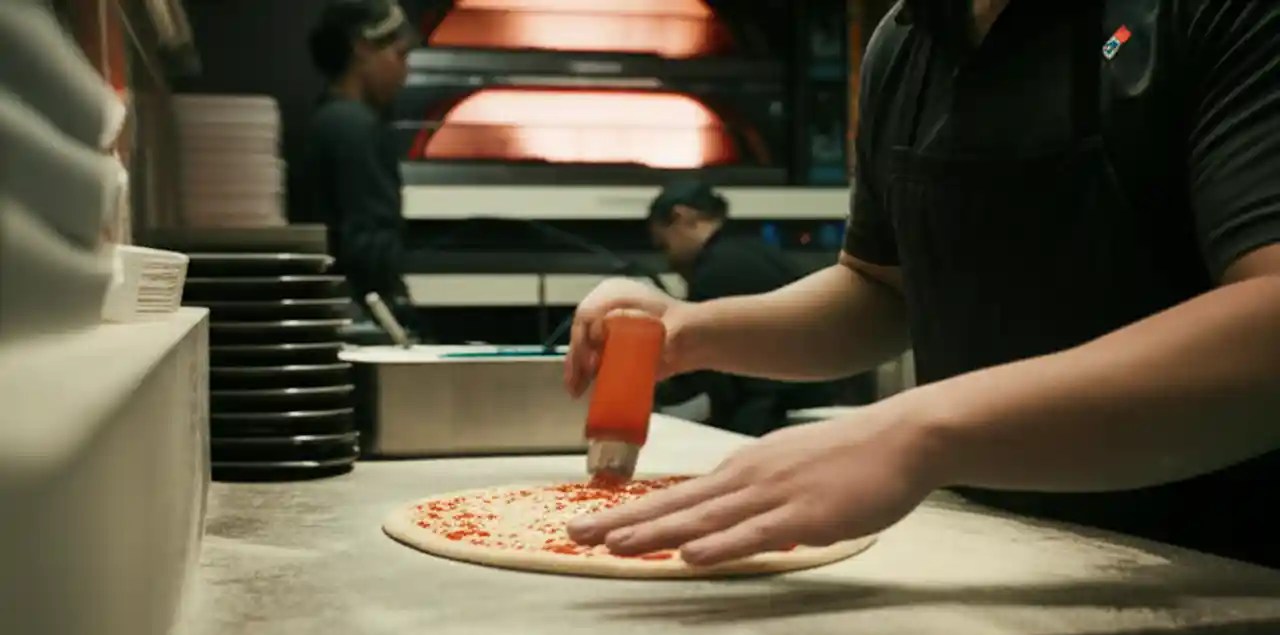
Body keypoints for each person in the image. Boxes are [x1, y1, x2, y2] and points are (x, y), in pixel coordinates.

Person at [562, 0, 1280, 569]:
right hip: (996, 549)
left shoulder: (1215, 14)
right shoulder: (905, 42)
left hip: (1218, 566)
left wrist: (917, 432)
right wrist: (696, 328)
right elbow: (881, 291)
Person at [646, 180, 837, 437]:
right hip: (820, 400)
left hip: (779, 414)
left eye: (663, 245)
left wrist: (640, 385)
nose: (668, 259)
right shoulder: (754, 252)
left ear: (682, 217)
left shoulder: (716, 271)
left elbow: (694, 365)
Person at [301, 0, 421, 336]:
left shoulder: (326, 121)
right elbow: (370, 247)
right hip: (360, 321)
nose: (404, 72)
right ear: (363, 48)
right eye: (399, 55)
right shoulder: (354, 127)